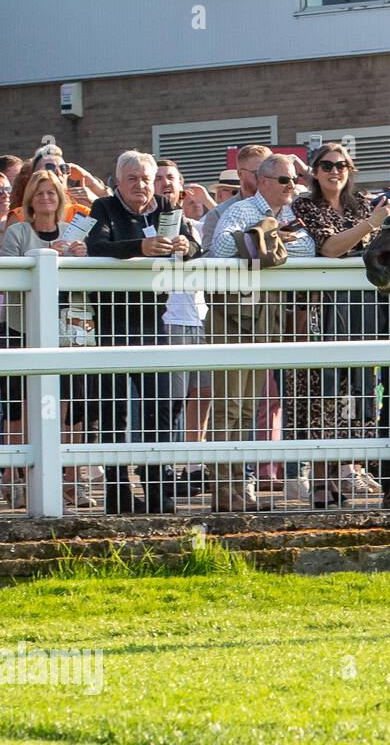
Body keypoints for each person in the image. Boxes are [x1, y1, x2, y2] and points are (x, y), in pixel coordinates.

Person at [87, 150, 202, 514]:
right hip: (112, 319)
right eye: (132, 178)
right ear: (118, 181)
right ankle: (118, 493)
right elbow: (97, 245)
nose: (140, 185)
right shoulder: (105, 207)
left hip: (155, 318)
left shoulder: (167, 206)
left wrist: (187, 245)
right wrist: (140, 247)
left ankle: (157, 487)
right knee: (114, 410)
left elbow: (195, 247)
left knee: (163, 404)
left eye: (146, 178)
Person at [289, 142, 390, 508]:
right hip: (322, 312)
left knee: (360, 398)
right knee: (324, 398)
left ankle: (341, 474)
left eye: (341, 165)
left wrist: (377, 220)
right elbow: (330, 248)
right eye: (327, 165)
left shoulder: (363, 204)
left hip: (363, 311)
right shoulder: (306, 205)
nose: (335, 171)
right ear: (314, 172)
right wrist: (372, 224)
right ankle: (320, 480)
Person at [208, 154, 317, 511]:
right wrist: (269, 235)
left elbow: (308, 248)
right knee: (229, 406)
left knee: (249, 406)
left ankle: (240, 487)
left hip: (266, 316)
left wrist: (262, 240)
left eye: (295, 179)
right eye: (285, 180)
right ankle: (225, 490)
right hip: (231, 315)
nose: (292, 186)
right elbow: (222, 246)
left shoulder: (290, 214)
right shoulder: (241, 209)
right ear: (264, 180)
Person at [0, 170, 95, 510]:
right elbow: (9, 275)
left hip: (68, 331)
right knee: (18, 403)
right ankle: (15, 479)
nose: (45, 199)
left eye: (51, 193)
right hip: (21, 329)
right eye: (39, 194)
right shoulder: (17, 233)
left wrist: (81, 257)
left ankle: (72, 479)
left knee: (73, 404)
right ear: (29, 200)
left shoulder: (77, 234)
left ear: (60, 199)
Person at [153, 158, 214, 498]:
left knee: (202, 393)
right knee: (172, 397)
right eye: (158, 177)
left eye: (170, 178)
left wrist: (206, 199)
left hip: (200, 315)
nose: (164, 183)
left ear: (182, 186)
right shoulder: (152, 222)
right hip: (169, 318)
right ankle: (166, 464)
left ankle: (194, 465)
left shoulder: (195, 224)